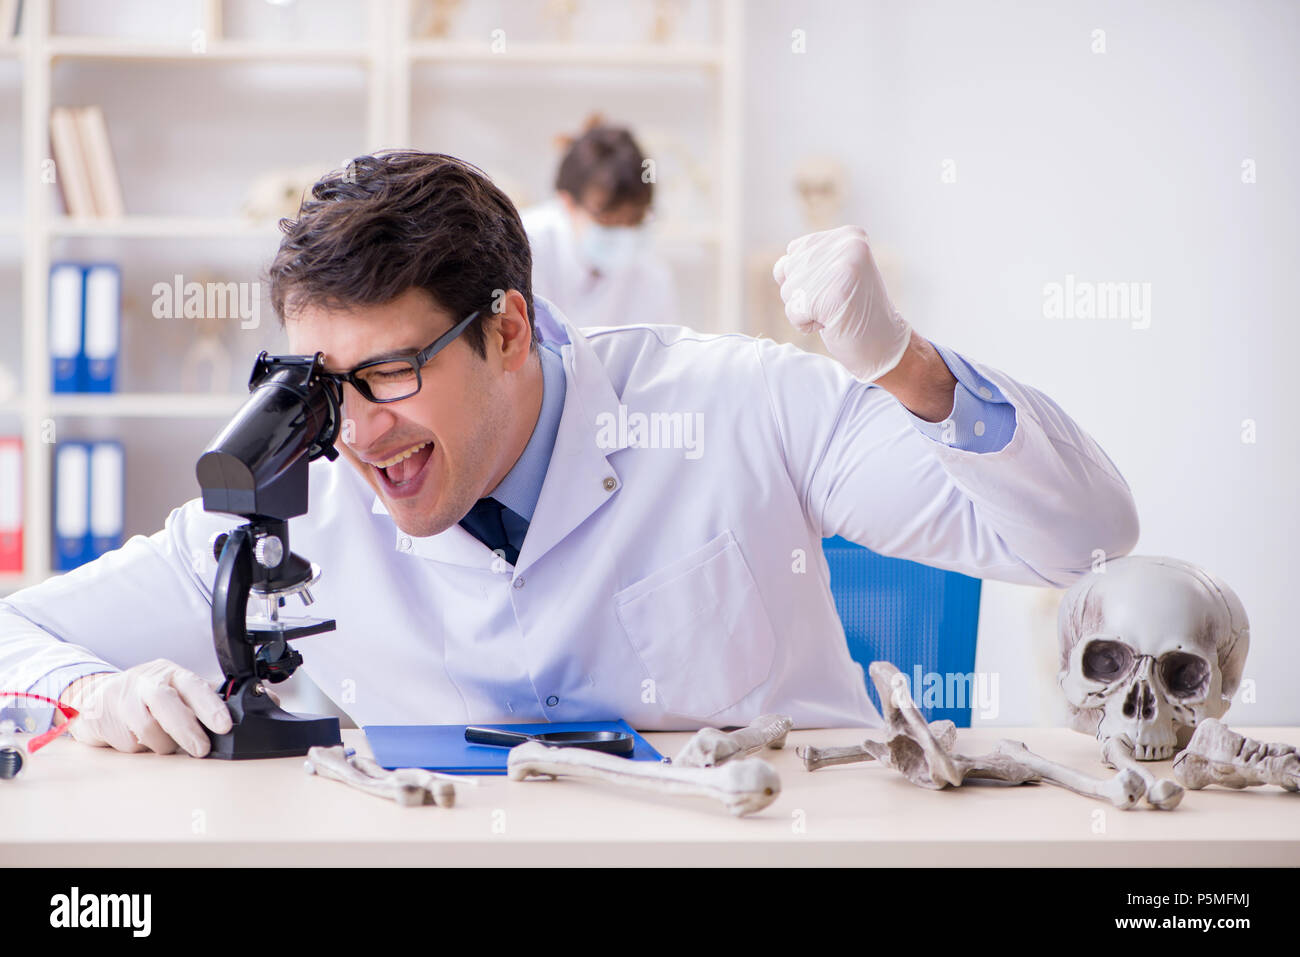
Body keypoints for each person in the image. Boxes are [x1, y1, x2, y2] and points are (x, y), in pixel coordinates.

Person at [0, 151, 1139, 757]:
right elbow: (17, 636)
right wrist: (94, 692)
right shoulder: (300, 480)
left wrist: (907, 368)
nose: (355, 431)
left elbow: (1084, 539)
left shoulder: (736, 405)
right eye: (322, 384)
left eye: (390, 374)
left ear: (504, 328)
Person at [520, 122, 678, 328]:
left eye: (635, 219)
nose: (624, 232)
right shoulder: (524, 248)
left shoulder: (652, 276)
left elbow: (660, 354)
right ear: (567, 202)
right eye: (608, 219)